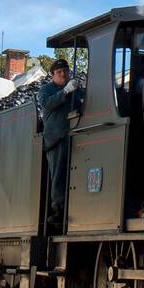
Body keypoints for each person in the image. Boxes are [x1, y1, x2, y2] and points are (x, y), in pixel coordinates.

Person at [39, 58, 85, 227]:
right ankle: (57, 209)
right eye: (59, 72)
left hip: (74, 135)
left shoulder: (74, 89)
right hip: (56, 138)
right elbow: (46, 103)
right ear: (52, 75)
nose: (63, 74)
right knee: (58, 175)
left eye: (65, 71)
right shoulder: (46, 89)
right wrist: (64, 92)